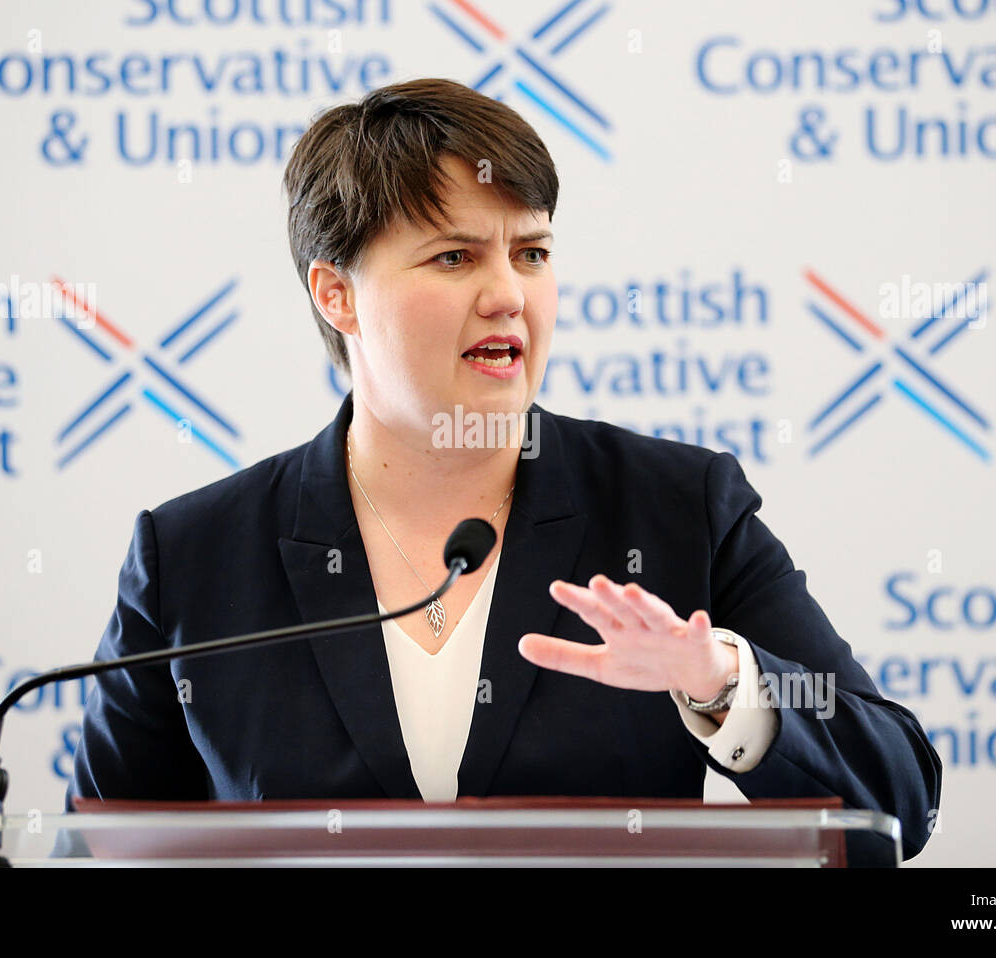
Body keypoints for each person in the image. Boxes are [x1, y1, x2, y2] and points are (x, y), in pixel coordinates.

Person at [67, 77, 942, 864]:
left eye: (531, 253)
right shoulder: (192, 554)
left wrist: (720, 684)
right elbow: (103, 847)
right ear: (335, 294)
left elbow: (897, 799)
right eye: (455, 257)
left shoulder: (675, 509)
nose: (510, 295)